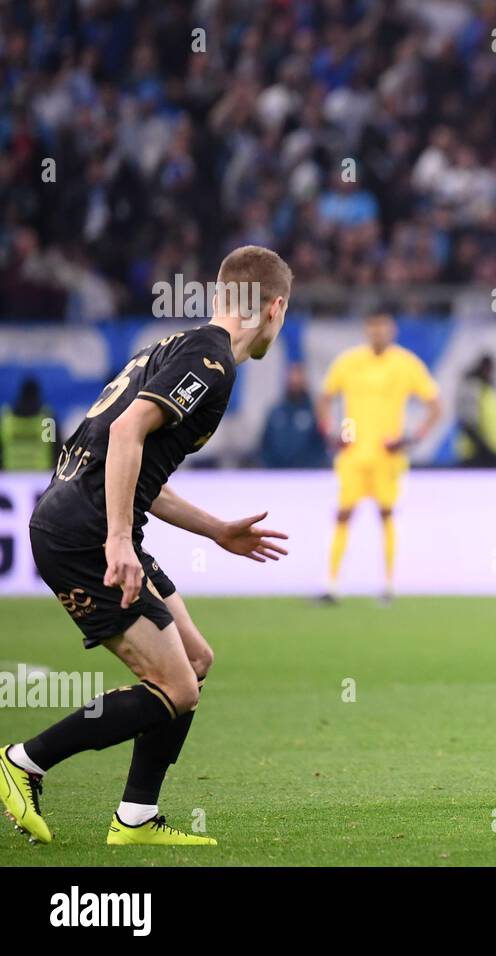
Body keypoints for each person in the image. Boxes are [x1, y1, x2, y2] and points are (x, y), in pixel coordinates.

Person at [1, 245, 293, 846]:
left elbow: (128, 463)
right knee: (177, 688)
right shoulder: (210, 361)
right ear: (276, 308)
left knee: (196, 662)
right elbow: (127, 431)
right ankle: (22, 761)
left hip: (87, 521)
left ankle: (136, 817)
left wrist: (216, 529)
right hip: (83, 534)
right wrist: (115, 541)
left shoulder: (183, 348)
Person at [316, 313, 440, 604]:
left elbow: (435, 406)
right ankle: (331, 585)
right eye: (373, 326)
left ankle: (388, 585)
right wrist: (333, 432)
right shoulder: (349, 362)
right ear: (366, 329)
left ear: (392, 329)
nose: (378, 332)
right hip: (354, 454)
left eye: (383, 326)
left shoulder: (405, 364)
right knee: (344, 514)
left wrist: (411, 437)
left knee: (386, 515)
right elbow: (325, 398)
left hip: (387, 457)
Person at [259, 364, 329, 468]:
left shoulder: (315, 411)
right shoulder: (276, 412)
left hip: (306, 476)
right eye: (292, 379)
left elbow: (321, 446)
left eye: (298, 379)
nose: (294, 382)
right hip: (276, 475)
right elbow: (264, 444)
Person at [454, 354, 496, 467]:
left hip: (490, 452)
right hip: (476, 455)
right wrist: (484, 450)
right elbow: (467, 422)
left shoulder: (487, 389)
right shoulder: (472, 388)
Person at [0, 377, 59, 472]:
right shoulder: (47, 419)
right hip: (41, 478)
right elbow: (57, 450)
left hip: (10, 478)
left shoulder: (6, 418)